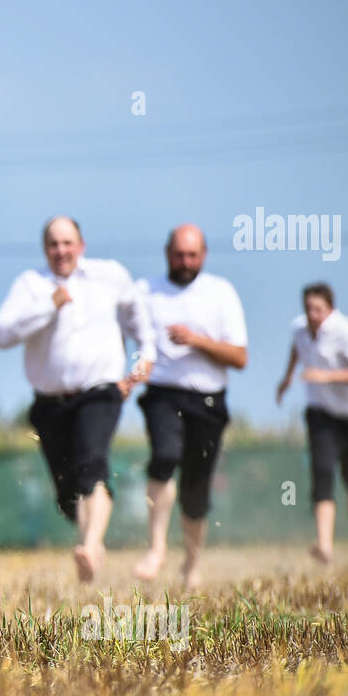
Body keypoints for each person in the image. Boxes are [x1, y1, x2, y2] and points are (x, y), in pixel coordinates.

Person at [0, 216, 156, 581]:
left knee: (91, 463)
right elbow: (2, 334)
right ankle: (87, 538)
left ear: (81, 246)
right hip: (50, 403)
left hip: (100, 391)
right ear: (45, 249)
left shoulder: (110, 275)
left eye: (67, 243)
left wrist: (144, 358)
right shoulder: (31, 285)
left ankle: (91, 545)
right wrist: (47, 306)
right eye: (53, 244)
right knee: (69, 496)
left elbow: (137, 318)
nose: (61, 251)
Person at [133, 225, 248, 588]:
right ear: (167, 253)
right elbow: (136, 340)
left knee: (196, 490)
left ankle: (192, 565)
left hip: (209, 400)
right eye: (179, 254)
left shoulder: (221, 292)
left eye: (192, 255)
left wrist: (196, 340)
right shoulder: (145, 291)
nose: (185, 262)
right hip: (163, 394)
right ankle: (156, 548)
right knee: (164, 456)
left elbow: (239, 357)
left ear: (204, 255)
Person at [276, 282, 348, 563]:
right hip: (321, 414)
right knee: (322, 470)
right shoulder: (300, 328)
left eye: (318, 309)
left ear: (331, 308)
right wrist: (287, 377)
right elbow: (298, 348)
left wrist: (326, 376)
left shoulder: (347, 333)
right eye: (309, 308)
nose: (312, 314)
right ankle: (325, 544)